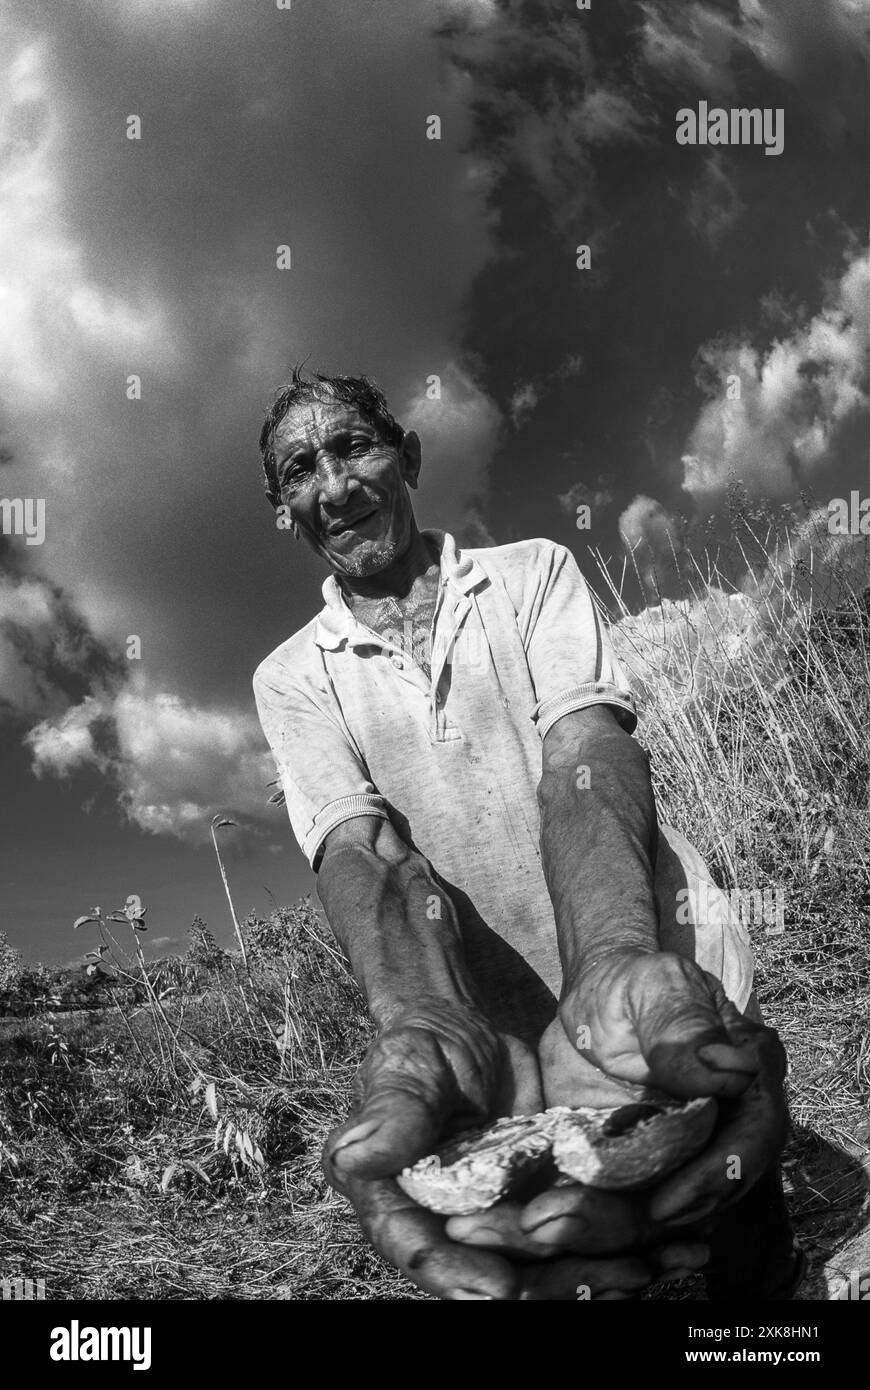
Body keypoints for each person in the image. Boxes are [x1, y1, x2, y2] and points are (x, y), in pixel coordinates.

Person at [252, 368, 803, 1301]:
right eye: (302, 469)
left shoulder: (530, 573)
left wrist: (616, 954)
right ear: (284, 513)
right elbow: (363, 848)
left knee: (729, 1196)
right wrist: (423, 1017)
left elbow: (582, 751)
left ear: (408, 457)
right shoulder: (292, 677)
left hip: (649, 947)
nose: (335, 486)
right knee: (574, 1242)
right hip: (505, 1027)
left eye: (354, 447)